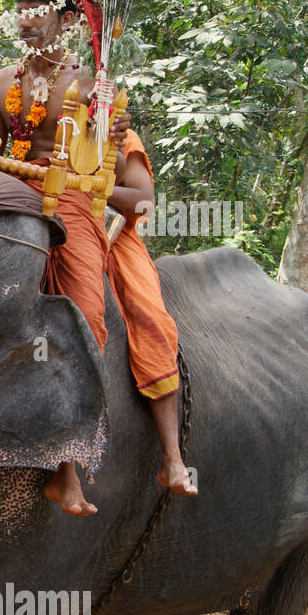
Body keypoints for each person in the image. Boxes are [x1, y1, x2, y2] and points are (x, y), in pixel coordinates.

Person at [0, 0, 106, 516]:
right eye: (20, 12)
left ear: (63, 19)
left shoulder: (87, 84)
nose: (27, 22)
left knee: (84, 310)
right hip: (5, 183)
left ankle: (68, 467)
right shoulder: (0, 81)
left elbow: (99, 157)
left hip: (67, 197)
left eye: (38, 12)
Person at [106, 128, 197, 496]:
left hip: (112, 235)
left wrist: (82, 186)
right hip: (43, 218)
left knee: (151, 319)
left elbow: (141, 201)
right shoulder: (30, 120)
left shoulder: (120, 134)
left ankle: (172, 459)